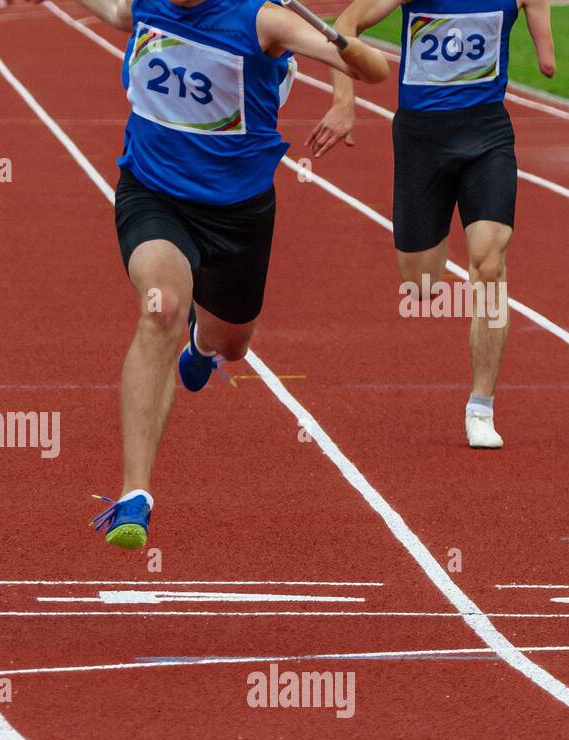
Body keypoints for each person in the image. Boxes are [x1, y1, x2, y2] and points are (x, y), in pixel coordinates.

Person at [70, 0, 389, 548]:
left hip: (238, 213)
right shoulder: (144, 7)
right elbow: (114, 11)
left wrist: (334, 41)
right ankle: (134, 494)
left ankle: (203, 342)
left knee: (233, 344)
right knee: (162, 305)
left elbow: (373, 70)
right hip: (153, 194)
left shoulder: (264, 21)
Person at [307, 0, 555, 448]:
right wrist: (344, 102)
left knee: (489, 264)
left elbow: (547, 55)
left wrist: (542, 37)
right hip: (422, 138)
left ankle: (481, 407)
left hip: (487, 134)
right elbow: (344, 23)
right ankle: (458, 291)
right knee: (421, 285)